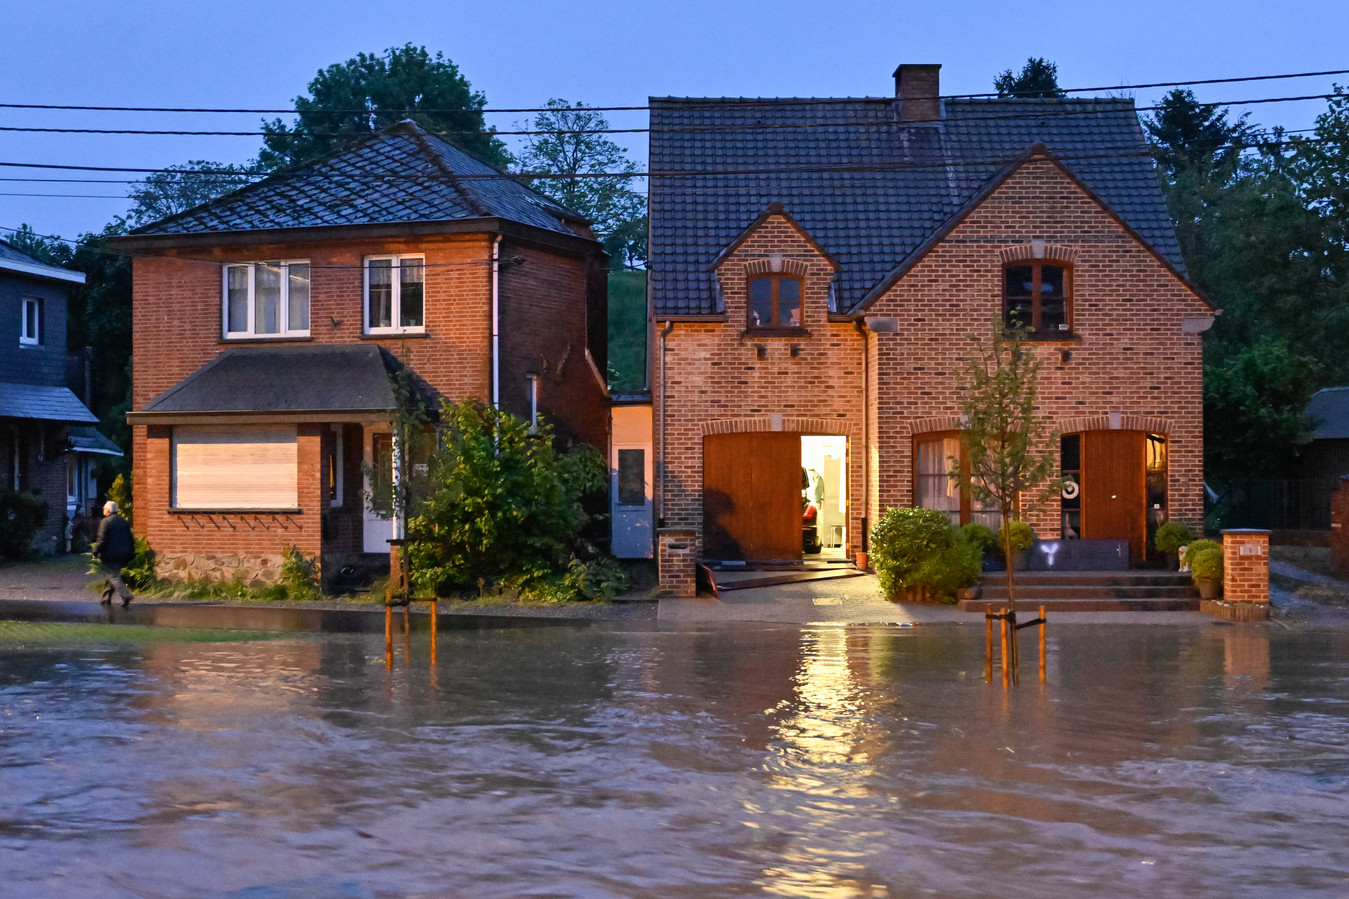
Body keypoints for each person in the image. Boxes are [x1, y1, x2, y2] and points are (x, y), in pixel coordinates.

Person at [92, 501, 135, 608]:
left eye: (104, 508)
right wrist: (130, 552)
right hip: (124, 553)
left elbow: (101, 539)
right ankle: (106, 598)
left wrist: (95, 552)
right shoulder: (123, 521)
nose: (103, 510)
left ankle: (126, 595)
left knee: (113, 575)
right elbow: (130, 538)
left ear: (108, 510)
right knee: (113, 574)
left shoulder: (105, 522)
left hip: (110, 554)